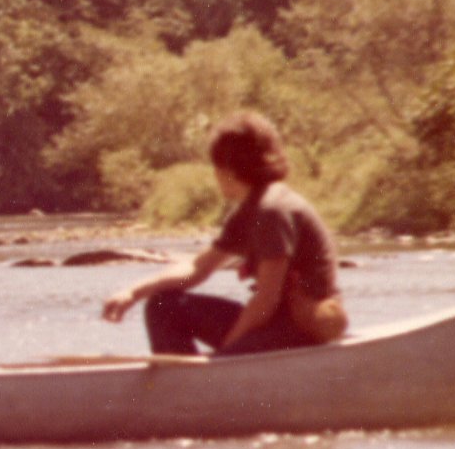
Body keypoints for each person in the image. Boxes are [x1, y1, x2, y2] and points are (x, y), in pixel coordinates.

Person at [103, 111, 348, 356]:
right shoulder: (251, 209)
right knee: (163, 305)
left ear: (228, 170)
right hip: (273, 324)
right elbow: (198, 267)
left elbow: (266, 299)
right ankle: (182, 387)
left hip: (301, 328)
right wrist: (133, 292)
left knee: (231, 351)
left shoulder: (272, 210)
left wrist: (225, 353)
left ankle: (199, 385)